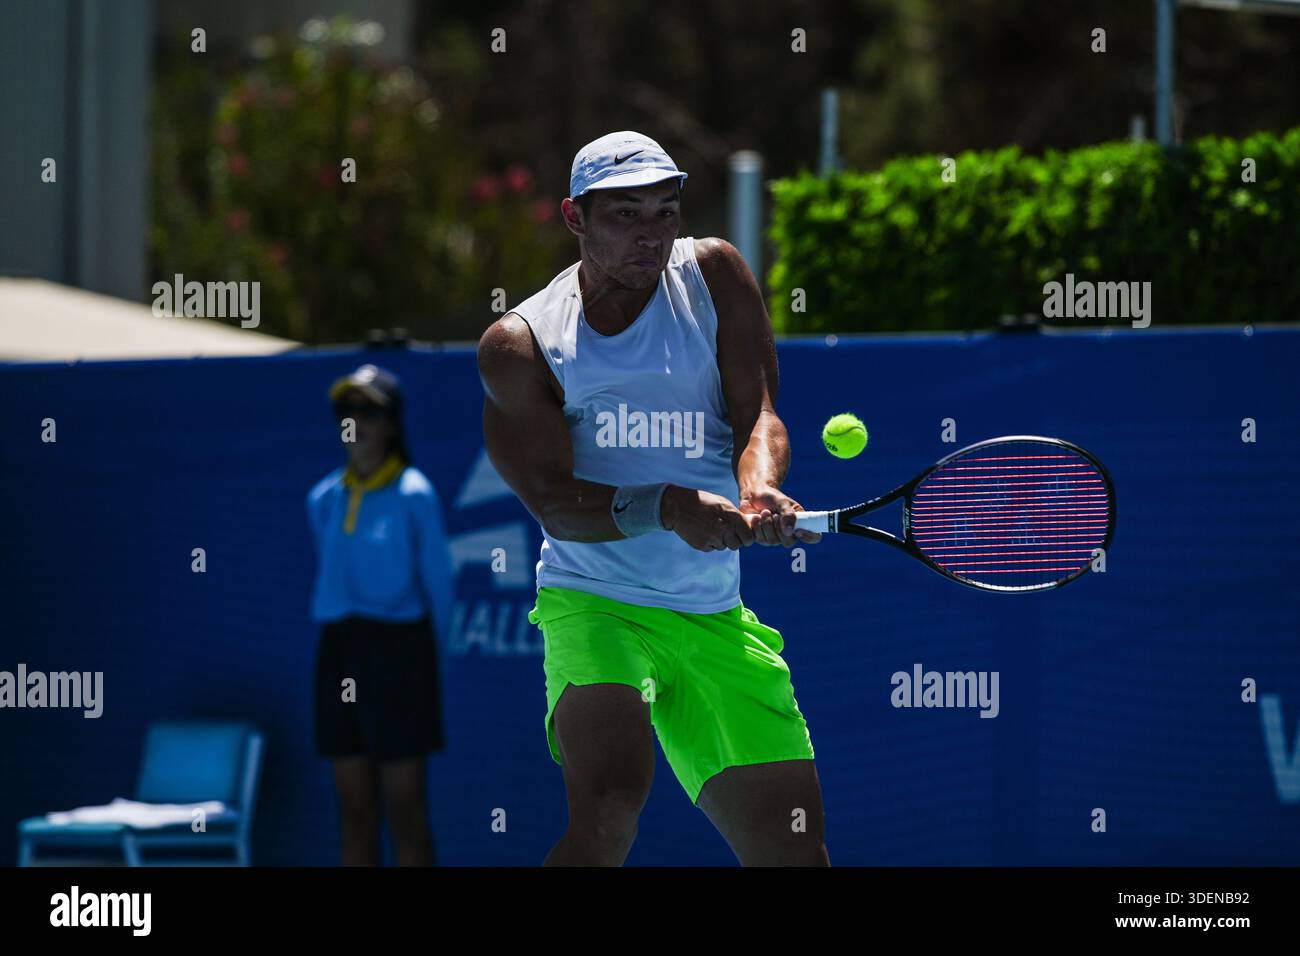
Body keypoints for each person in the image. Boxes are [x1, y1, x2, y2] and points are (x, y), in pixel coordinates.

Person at [477, 131, 829, 866]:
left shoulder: (715, 275)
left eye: (665, 212)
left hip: (711, 613)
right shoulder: (521, 343)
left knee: (792, 849)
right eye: (627, 215)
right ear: (575, 218)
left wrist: (758, 486)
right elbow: (552, 500)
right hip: (595, 601)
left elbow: (756, 414)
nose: (653, 234)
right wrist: (669, 507)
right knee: (608, 811)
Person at [306, 363, 453, 866]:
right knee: (354, 811)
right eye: (346, 410)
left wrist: (428, 667)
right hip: (338, 653)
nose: (356, 421)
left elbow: (439, 589)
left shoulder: (416, 495)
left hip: (400, 656)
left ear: (392, 424)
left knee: (406, 811)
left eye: (368, 410)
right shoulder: (323, 498)